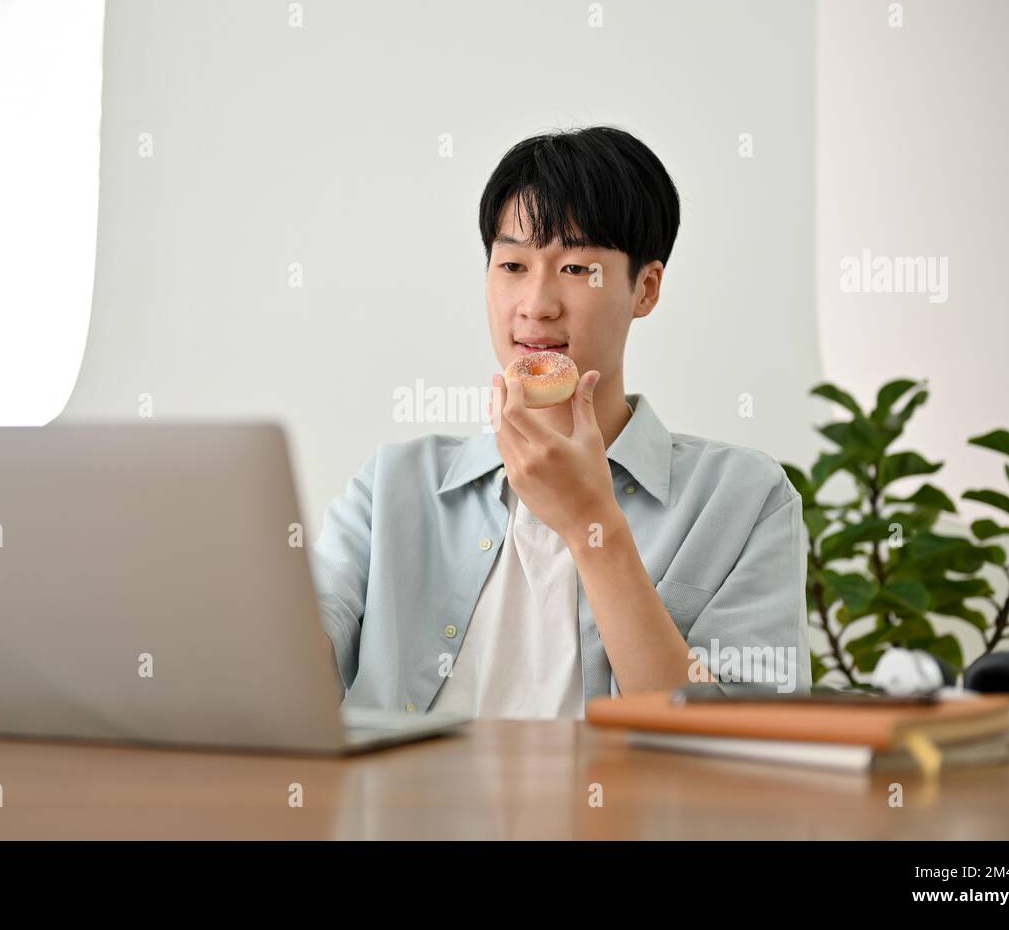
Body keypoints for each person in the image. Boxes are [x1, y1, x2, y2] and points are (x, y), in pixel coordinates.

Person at [311, 125, 809, 719]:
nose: (537, 303)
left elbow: (748, 742)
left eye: (576, 269)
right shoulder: (393, 484)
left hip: (615, 814)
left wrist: (592, 524)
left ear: (645, 289)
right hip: (402, 810)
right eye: (513, 264)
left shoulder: (744, 500)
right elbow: (290, 654)